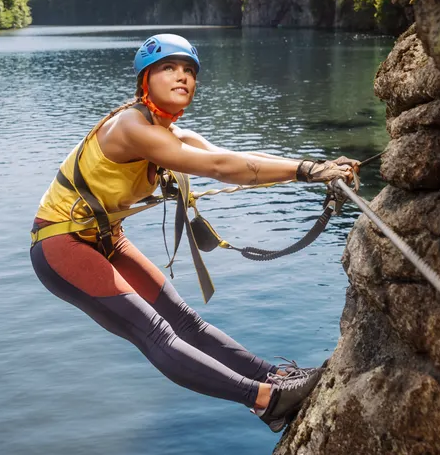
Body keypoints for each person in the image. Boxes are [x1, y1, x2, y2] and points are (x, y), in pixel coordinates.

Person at [30, 34, 357, 432]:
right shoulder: (131, 127)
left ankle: (275, 377)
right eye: (168, 68)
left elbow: (236, 160)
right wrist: (306, 171)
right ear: (145, 80)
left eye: (189, 70)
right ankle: (267, 401)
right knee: (156, 332)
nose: (181, 76)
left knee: (187, 323)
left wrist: (319, 167)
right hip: (60, 243)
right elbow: (219, 168)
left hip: (105, 238)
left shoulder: (171, 134)